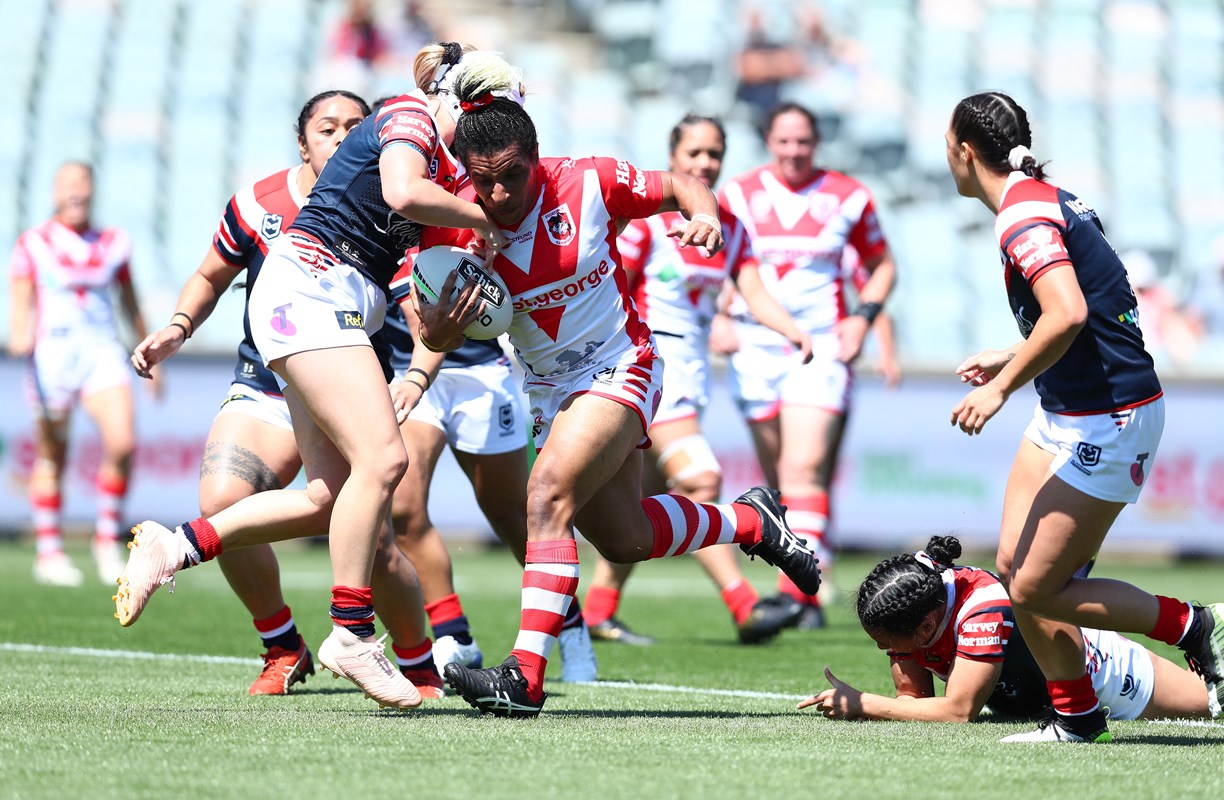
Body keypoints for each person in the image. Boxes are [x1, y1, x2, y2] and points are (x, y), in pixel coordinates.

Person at [116, 44, 516, 711]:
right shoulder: (410, 117)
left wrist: (435, 343)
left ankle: (177, 544)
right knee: (385, 460)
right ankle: (352, 634)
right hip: (315, 289)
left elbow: (420, 284)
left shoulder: (440, 160)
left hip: (325, 298)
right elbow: (400, 192)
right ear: (462, 101)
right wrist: (485, 217)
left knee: (330, 497)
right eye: (487, 111)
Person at [420, 68, 822, 718]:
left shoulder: (587, 180)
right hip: (551, 395)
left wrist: (705, 219)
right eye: (482, 178)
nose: (498, 192)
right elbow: (431, 335)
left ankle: (524, 676)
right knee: (626, 537)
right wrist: (440, 324)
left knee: (546, 493)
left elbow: (684, 185)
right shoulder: (456, 221)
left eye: (512, 175)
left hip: (622, 367)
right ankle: (752, 521)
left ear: (535, 156)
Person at [943, 91, 1224, 742]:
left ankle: (1197, 627)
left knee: (1038, 587)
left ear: (963, 150)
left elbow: (1067, 312)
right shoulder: (1041, 198)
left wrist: (1004, 385)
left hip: (1110, 419)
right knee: (1015, 574)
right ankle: (1075, 716)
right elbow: (1096, 309)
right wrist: (1014, 353)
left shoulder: (1022, 217)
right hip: (1068, 411)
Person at [582, 114, 814, 646]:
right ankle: (746, 607)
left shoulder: (728, 225)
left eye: (714, 153)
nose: (705, 163)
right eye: (695, 154)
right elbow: (612, 290)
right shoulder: (645, 223)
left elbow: (755, 294)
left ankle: (597, 611)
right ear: (673, 157)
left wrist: (792, 331)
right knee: (702, 481)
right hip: (647, 370)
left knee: (641, 500)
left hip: (692, 376)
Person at [718, 102, 897, 629]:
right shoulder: (738, 194)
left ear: (816, 143)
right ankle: (807, 571)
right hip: (753, 346)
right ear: (768, 141)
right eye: (783, 141)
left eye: (803, 142)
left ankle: (801, 596)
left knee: (801, 469)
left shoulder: (849, 196)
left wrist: (863, 318)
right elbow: (716, 262)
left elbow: (882, 265)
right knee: (781, 481)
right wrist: (719, 315)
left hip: (819, 347)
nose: (794, 151)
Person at [384, 253, 599, 683]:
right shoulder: (372, 222)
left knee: (512, 514)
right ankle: (452, 633)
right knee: (403, 508)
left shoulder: (456, 215)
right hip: (413, 378)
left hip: (479, 377)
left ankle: (570, 624)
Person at [800, 536, 1211, 724]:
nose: (882, 650)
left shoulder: (982, 606)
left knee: (1212, 704)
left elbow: (957, 711)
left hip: (1108, 679)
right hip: (1038, 702)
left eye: (887, 643)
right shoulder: (917, 604)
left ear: (926, 625)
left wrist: (863, 703)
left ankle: (1208, 628)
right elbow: (914, 701)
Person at [7, 162, 161, 587]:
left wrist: (151, 345)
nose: (76, 191)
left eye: (83, 183)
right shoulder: (33, 243)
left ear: (93, 189)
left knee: (123, 442)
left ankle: (107, 540)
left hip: (102, 351)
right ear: (55, 192)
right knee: (53, 453)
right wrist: (19, 335)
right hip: (52, 354)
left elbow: (130, 302)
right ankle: (49, 550)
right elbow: (20, 298)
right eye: (67, 184)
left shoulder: (114, 243)